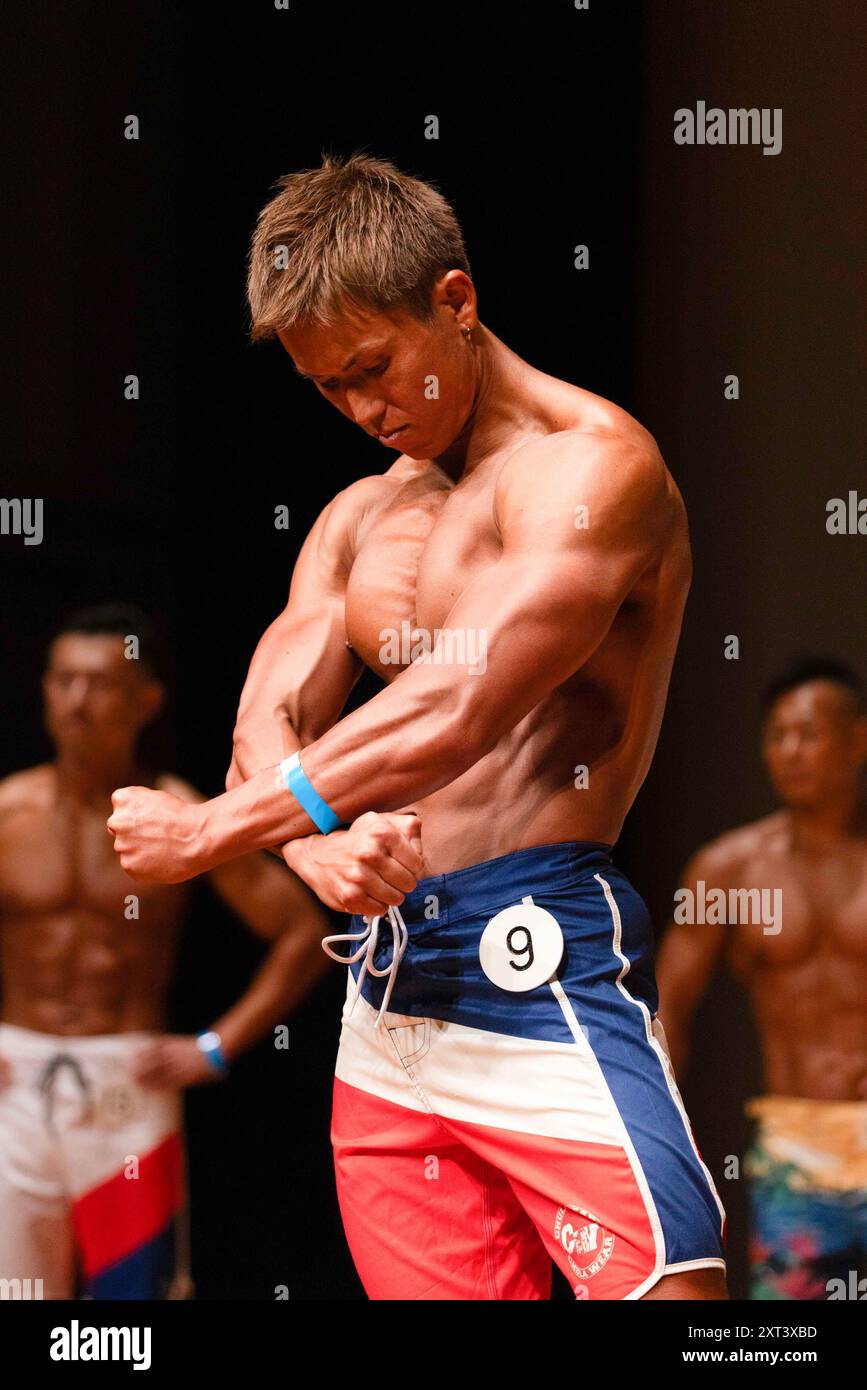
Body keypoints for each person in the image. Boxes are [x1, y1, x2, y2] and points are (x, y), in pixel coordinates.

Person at [107, 153, 727, 1300]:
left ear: (456, 299)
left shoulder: (594, 471)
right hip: (387, 1001)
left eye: (374, 369)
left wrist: (218, 834)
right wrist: (312, 848)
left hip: (537, 954)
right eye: (329, 389)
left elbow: (457, 703)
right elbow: (270, 718)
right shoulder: (359, 516)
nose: (363, 412)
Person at [0, 604, 332, 1299]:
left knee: (131, 1312)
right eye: (63, 681)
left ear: (147, 700)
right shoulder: (7, 812)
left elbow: (301, 933)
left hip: (130, 1082)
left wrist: (217, 1045)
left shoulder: (179, 816)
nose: (77, 702)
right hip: (11, 1078)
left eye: (99, 683)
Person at [656, 657, 867, 1300]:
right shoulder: (730, 871)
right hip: (796, 1158)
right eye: (776, 735)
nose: (790, 751)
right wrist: (658, 1153)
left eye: (809, 732)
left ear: (858, 739)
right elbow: (665, 1014)